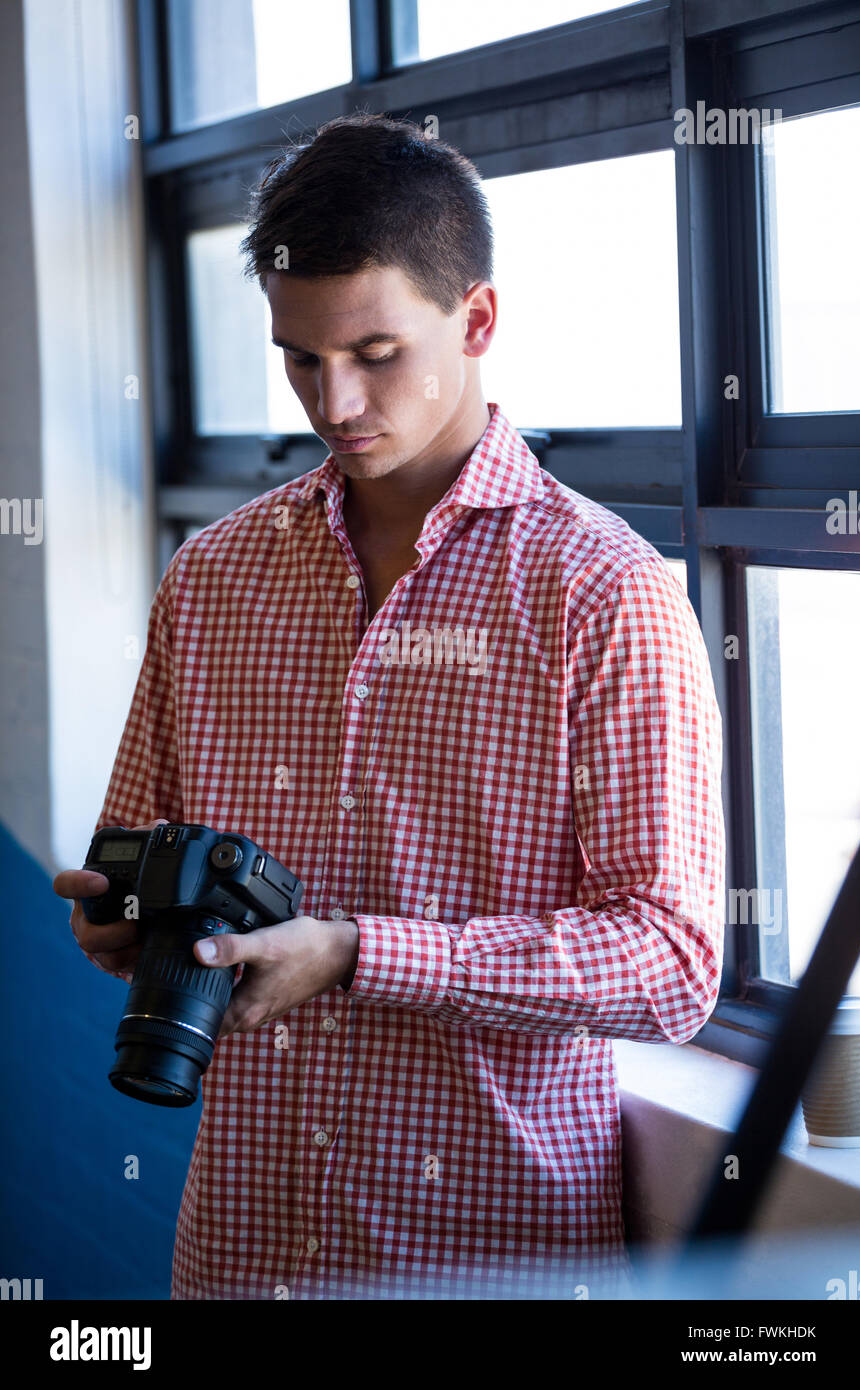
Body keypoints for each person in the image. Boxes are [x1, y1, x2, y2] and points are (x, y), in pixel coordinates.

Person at [54, 112, 726, 1300]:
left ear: (475, 320)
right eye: (299, 358)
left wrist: (363, 956)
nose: (334, 398)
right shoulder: (212, 578)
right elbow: (135, 857)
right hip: (241, 1247)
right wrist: (118, 923)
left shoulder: (599, 593)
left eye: (373, 349)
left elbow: (667, 962)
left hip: (489, 1259)